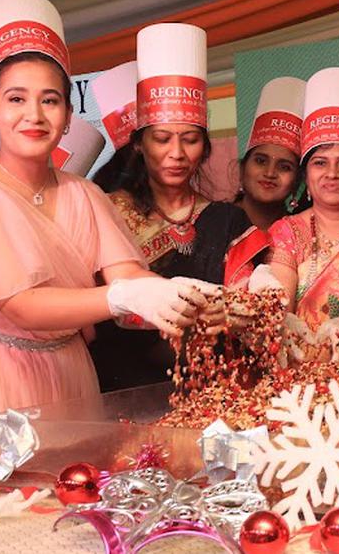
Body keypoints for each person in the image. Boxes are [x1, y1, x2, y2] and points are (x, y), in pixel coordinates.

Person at [0, 0, 212, 483]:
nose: (34, 115)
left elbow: (127, 273)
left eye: (50, 100)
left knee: (66, 516)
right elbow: (21, 305)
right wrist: (123, 295)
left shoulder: (84, 193)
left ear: (69, 116)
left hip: (70, 379)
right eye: (16, 99)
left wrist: (172, 297)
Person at [91, 23, 267, 390]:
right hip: (122, 382)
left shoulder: (227, 219)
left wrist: (231, 310)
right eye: (162, 139)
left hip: (210, 385)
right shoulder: (108, 211)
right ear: (139, 144)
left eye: (189, 140)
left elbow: (249, 300)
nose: (176, 154)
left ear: (204, 146)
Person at [267, 68, 339, 360]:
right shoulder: (288, 232)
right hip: (295, 379)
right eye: (320, 163)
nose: (332, 174)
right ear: (306, 176)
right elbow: (276, 305)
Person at [234, 77, 305, 230]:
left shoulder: (301, 235)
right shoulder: (213, 223)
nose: (270, 172)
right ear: (242, 168)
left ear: (297, 181)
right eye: (260, 161)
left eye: (284, 167)